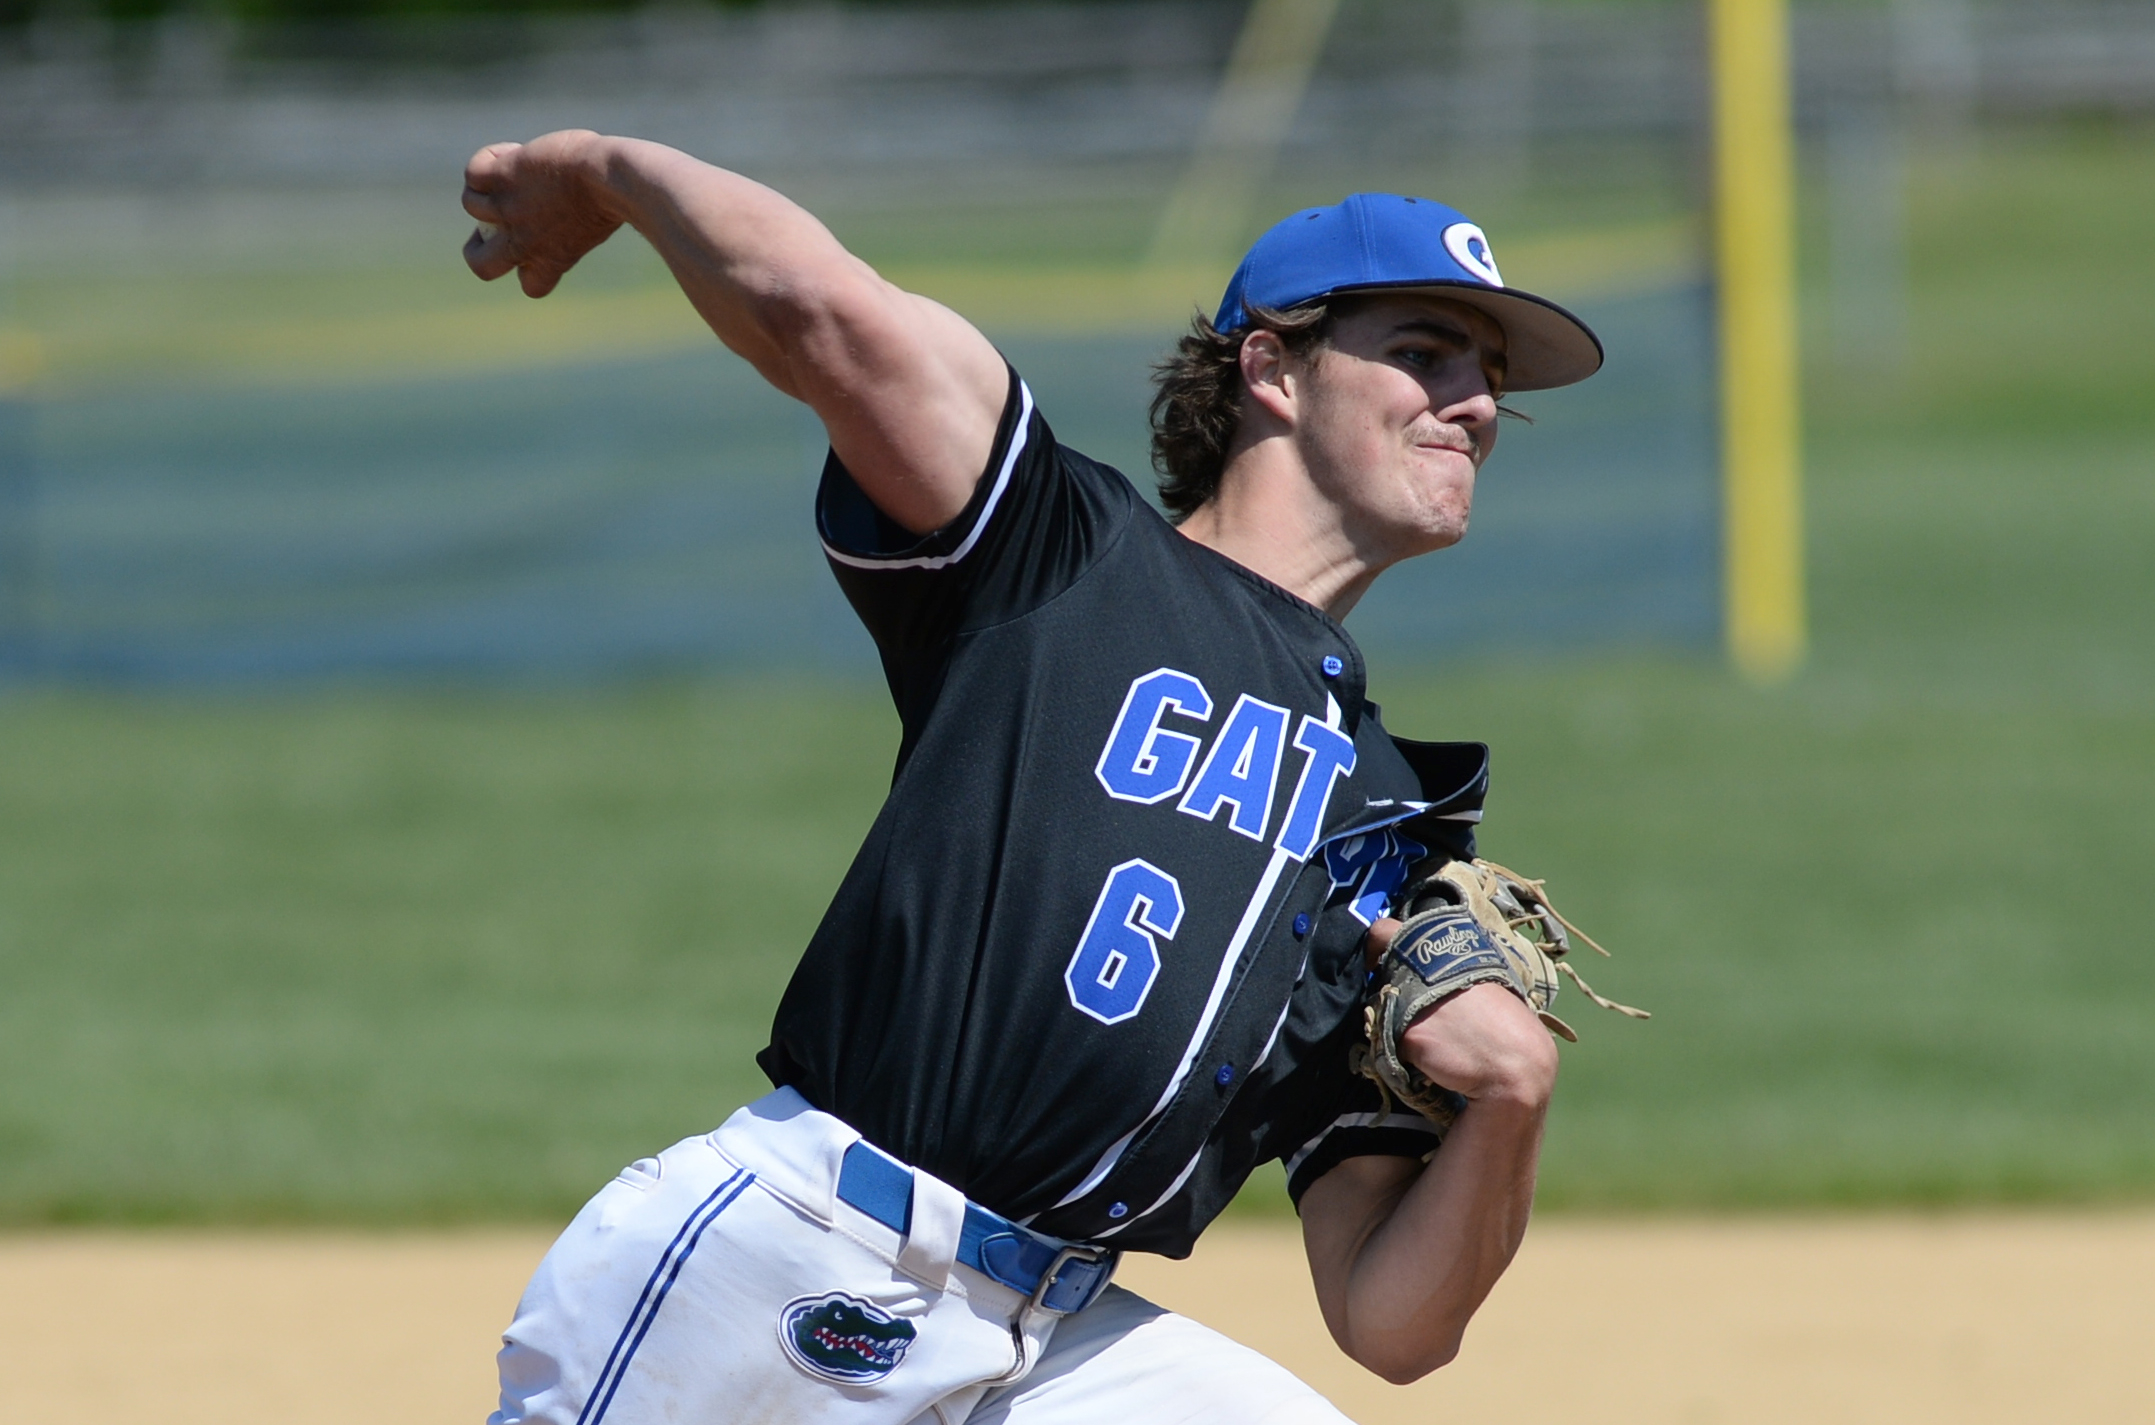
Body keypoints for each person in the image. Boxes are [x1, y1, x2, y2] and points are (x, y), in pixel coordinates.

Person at [462, 131, 1604, 1425]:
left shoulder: (1382, 819)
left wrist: (1512, 1095)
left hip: (1053, 1342)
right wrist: (607, 171)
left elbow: (1393, 1324)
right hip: (804, 1253)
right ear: (1272, 367)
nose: (1473, 402)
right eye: (1424, 352)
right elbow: (825, 312)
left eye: (1492, 378)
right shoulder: (1059, 552)